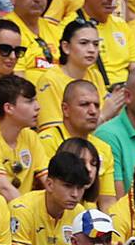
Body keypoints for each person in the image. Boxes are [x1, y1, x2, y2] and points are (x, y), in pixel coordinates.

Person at [37, 80, 121, 208]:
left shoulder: (104, 148)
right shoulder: (46, 141)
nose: (93, 111)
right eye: (84, 104)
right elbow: (51, 190)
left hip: (91, 221)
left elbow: (107, 201)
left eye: (97, 105)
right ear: (65, 109)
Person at [34, 19, 120, 135]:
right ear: (66, 47)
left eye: (95, 44)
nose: (91, 50)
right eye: (84, 43)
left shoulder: (95, 75)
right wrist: (104, 115)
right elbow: (52, 133)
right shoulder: (49, 80)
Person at [0, 74, 47, 203]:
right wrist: (27, 214)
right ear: (9, 108)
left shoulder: (31, 137)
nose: (38, 107)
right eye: (29, 101)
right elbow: (3, 188)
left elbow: (48, 180)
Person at [8, 150, 89, 245]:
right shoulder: (22, 210)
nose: (75, 194)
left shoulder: (79, 213)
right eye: (68, 186)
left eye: (80, 188)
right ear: (49, 184)